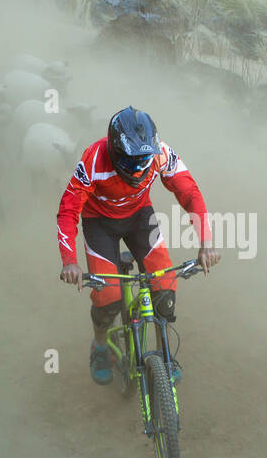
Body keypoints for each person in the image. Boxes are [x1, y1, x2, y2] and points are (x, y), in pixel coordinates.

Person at [57, 107, 220, 385]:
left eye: (143, 159)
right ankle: (99, 346)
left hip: (138, 217)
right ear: (114, 149)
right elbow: (69, 210)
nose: (137, 168)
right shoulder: (93, 160)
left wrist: (206, 242)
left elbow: (189, 192)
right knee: (107, 298)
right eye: (130, 160)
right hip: (99, 223)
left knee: (165, 288)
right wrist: (69, 260)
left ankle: (166, 355)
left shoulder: (161, 153)